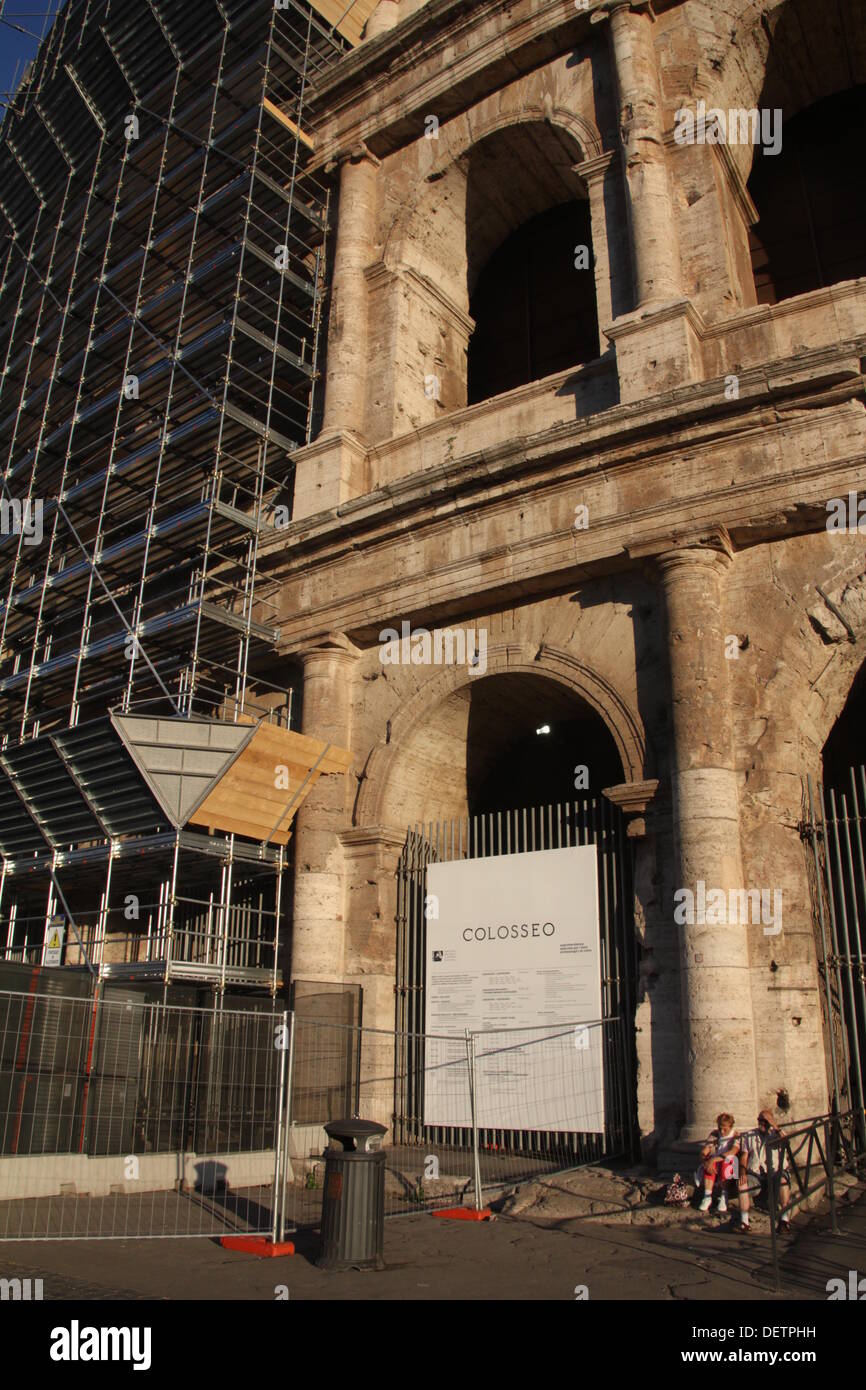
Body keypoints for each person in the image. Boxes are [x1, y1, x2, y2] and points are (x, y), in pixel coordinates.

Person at [737, 1108, 792, 1234]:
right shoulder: (749, 1135)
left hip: (775, 1172)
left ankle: (784, 1220)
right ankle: (744, 1222)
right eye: (760, 1120)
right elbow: (744, 1156)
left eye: (765, 1121)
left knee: (783, 1181)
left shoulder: (776, 1134)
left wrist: (774, 1125)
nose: (762, 1123)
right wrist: (742, 1173)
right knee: (741, 1183)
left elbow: (786, 1143)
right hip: (756, 1174)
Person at [697, 1112, 742, 1214]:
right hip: (716, 1162)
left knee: (728, 1161)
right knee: (709, 1163)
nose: (722, 1131)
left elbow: (733, 1151)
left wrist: (713, 1160)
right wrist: (706, 1162)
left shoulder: (736, 1136)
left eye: (725, 1129)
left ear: (730, 1127)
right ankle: (707, 1196)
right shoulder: (715, 1134)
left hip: (730, 1164)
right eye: (720, 1128)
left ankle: (724, 1195)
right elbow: (704, 1151)